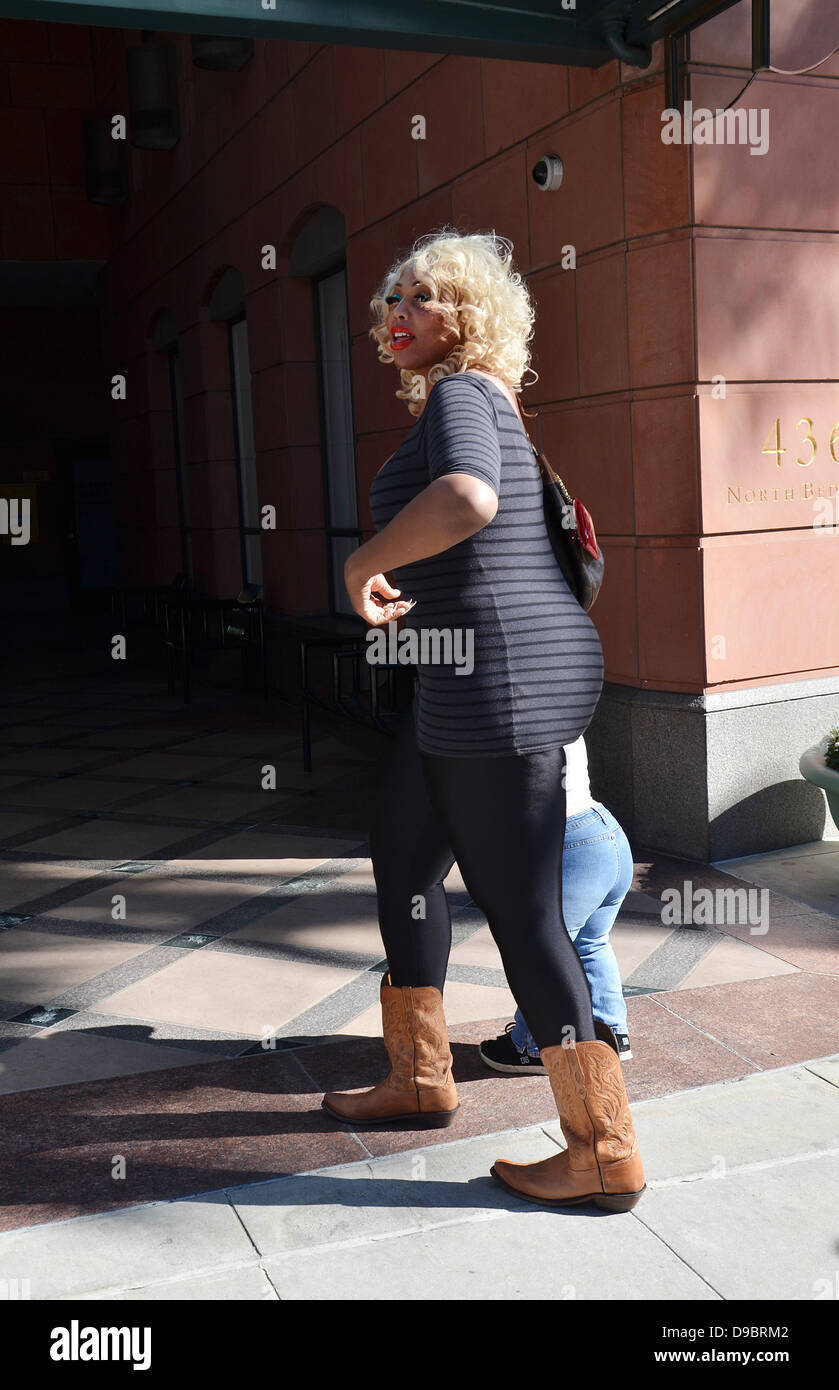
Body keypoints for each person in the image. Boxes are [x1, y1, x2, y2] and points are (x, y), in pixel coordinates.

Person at [321, 228, 645, 1211]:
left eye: (420, 297)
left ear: (469, 312)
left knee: (522, 915)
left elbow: (466, 499)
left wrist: (358, 562)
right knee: (403, 859)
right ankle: (418, 1076)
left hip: (496, 687)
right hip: (460, 683)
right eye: (389, 302)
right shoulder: (483, 402)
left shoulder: (463, 395)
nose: (395, 315)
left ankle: (602, 1147)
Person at [479, 732, 634, 1074]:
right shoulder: (559, 709)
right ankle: (612, 1034)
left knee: (541, 950)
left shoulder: (504, 720)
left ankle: (533, 1045)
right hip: (605, 831)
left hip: (568, 843)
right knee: (590, 942)